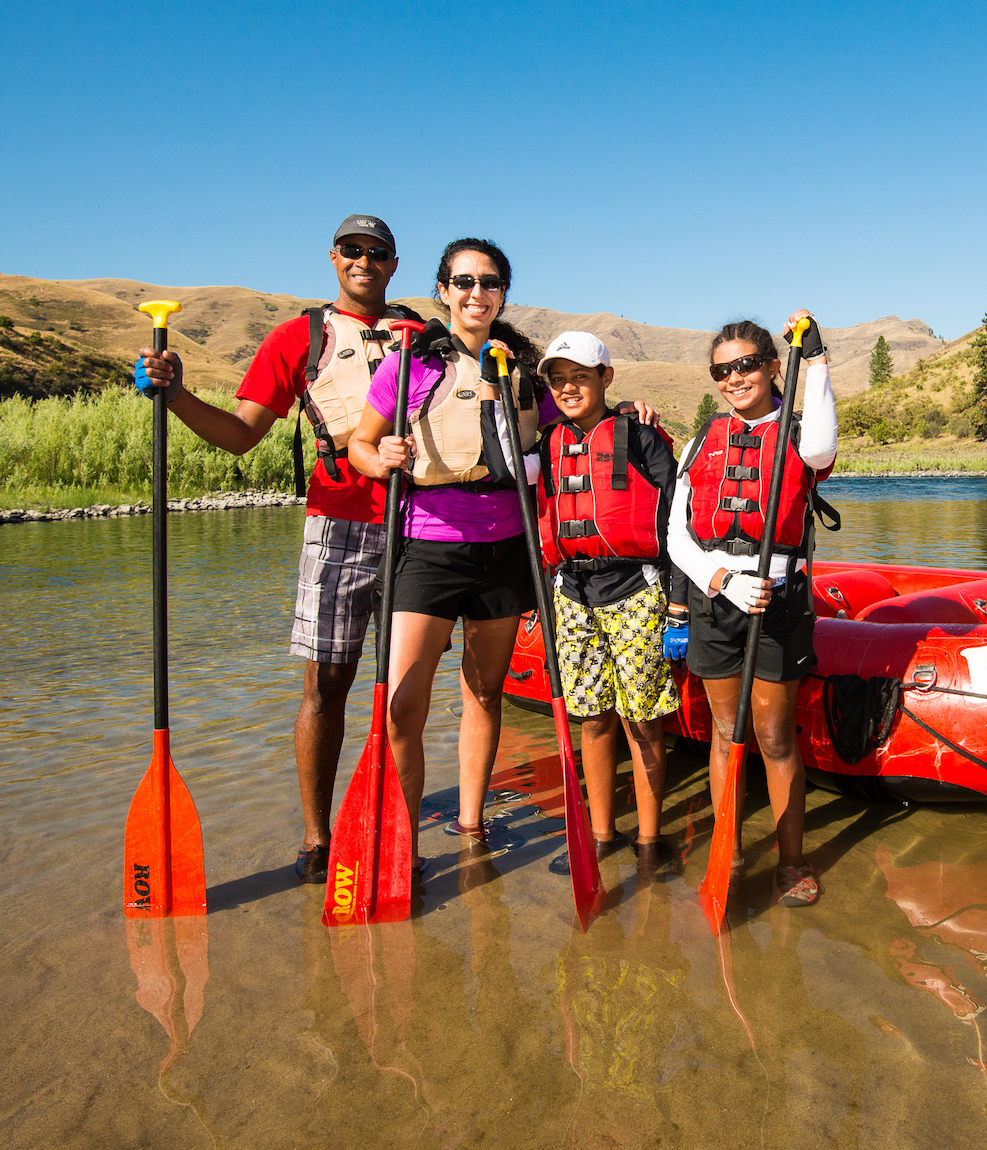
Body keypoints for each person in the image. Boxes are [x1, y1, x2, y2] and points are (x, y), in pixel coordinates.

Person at [132, 213, 419, 884]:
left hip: (418, 524)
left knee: (405, 694)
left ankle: (395, 825)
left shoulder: (421, 335)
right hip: (338, 523)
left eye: (377, 252)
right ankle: (318, 837)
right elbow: (239, 435)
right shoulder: (298, 338)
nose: (364, 260)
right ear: (333, 258)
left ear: (393, 264)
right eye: (352, 249)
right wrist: (174, 394)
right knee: (326, 685)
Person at [347, 241, 658, 851]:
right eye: (463, 281)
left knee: (485, 691)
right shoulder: (410, 365)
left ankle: (470, 825)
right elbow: (362, 442)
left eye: (489, 283)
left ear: (502, 294)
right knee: (401, 707)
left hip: (506, 546)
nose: (476, 293)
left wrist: (623, 411)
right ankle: (401, 841)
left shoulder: (520, 371)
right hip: (426, 547)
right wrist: (379, 458)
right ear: (443, 290)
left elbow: (575, 418)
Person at [666, 314, 836, 907]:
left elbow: (819, 447)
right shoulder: (699, 441)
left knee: (773, 736)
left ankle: (792, 861)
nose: (734, 377)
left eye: (745, 365)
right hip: (718, 601)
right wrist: (721, 580)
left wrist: (814, 361)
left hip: (778, 599)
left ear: (770, 366)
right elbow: (675, 536)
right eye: (722, 370)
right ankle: (728, 851)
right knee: (723, 733)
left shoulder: (797, 431)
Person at [534, 330, 686, 875]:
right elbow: (505, 471)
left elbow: (675, 520)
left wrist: (679, 603)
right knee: (592, 719)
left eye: (580, 376)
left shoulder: (641, 436)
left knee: (642, 721)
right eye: (558, 379)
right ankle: (601, 835)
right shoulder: (544, 442)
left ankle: (649, 839)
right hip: (572, 594)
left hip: (635, 591)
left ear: (606, 378)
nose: (569, 388)